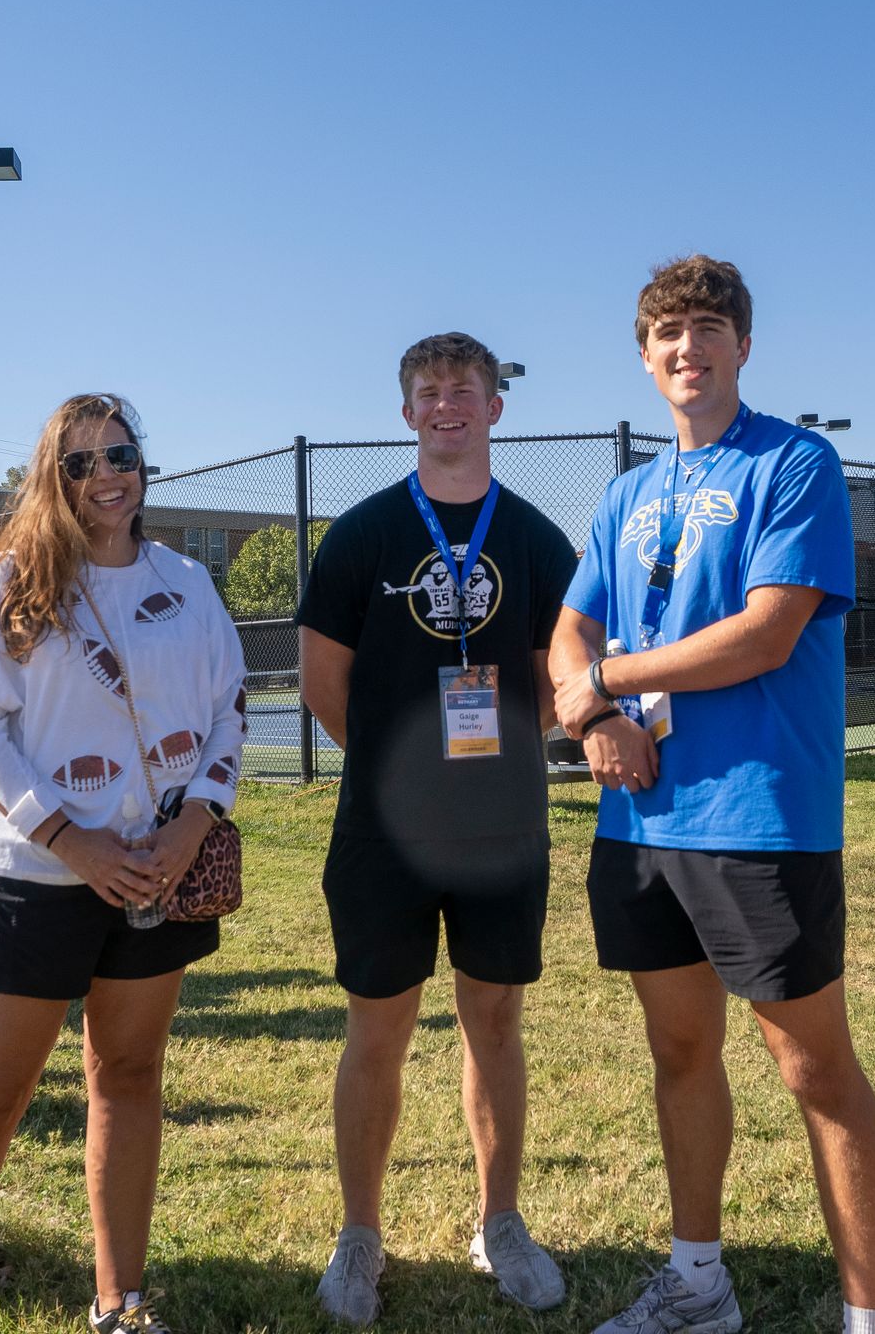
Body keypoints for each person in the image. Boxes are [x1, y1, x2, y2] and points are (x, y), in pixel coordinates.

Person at [552, 256, 875, 1334]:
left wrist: (606, 681)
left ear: (743, 345)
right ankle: (698, 1281)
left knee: (813, 1067)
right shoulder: (626, 493)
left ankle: (869, 1319)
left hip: (758, 811)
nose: (687, 348)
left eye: (708, 328)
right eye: (667, 333)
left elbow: (765, 632)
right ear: (645, 357)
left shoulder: (795, 464)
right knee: (680, 1052)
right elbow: (574, 626)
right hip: (642, 820)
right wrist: (597, 720)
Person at [0, 394, 246, 1334]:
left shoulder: (185, 581)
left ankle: (120, 1303)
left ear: (143, 464)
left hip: (157, 875)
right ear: (54, 473)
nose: (107, 475)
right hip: (35, 877)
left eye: (121, 454)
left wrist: (194, 825)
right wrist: (69, 839)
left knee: (128, 1077)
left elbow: (226, 711)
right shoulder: (11, 579)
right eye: (83, 461)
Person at [297, 332, 578, 1325]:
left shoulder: (539, 539)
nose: (448, 403)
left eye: (466, 388)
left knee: (493, 1021)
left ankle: (499, 1221)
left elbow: (565, 678)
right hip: (382, 831)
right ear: (407, 412)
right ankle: (359, 1235)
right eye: (429, 390)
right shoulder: (363, 534)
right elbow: (324, 683)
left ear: (496, 407)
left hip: (500, 826)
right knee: (377, 1028)